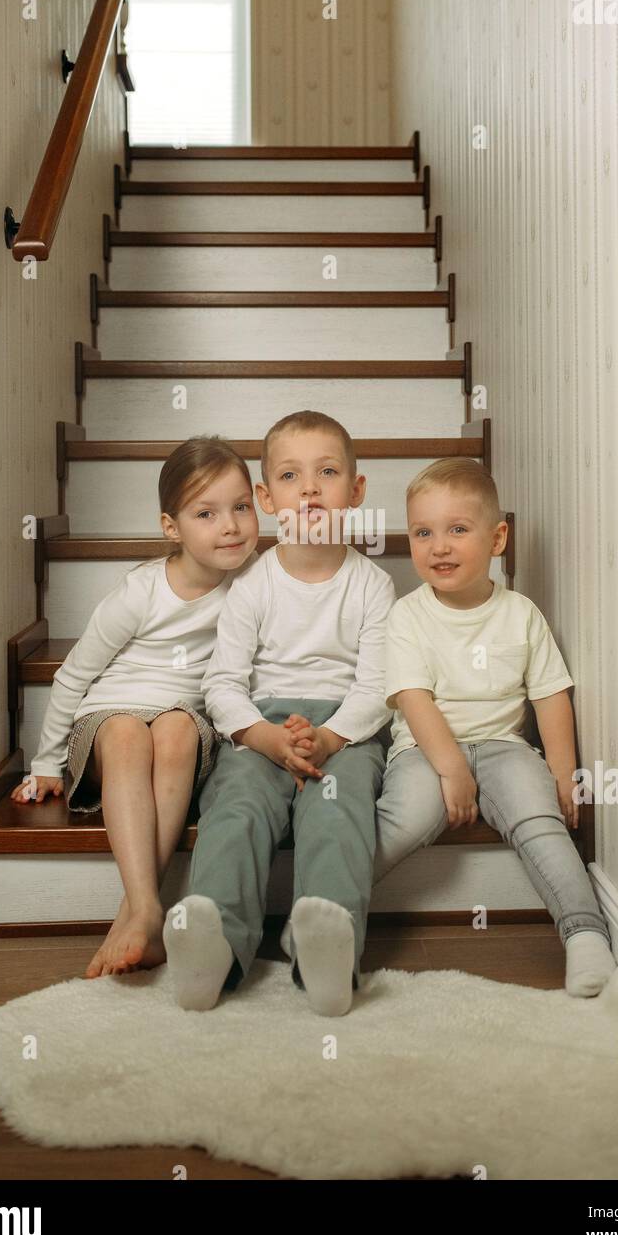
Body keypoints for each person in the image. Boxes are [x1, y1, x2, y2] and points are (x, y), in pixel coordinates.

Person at [163, 410, 395, 1017]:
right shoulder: (253, 584)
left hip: (344, 731)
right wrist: (265, 737)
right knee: (236, 804)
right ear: (267, 499)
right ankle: (215, 942)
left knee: (337, 810)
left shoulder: (372, 585)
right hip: (263, 727)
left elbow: (377, 687)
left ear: (356, 490)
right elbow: (222, 683)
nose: (310, 489)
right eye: (291, 476)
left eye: (327, 473)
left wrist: (330, 737)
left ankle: (328, 944)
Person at [11, 436, 260, 980]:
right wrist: (46, 764)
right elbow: (73, 675)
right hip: (108, 719)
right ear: (172, 527)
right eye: (206, 513)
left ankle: (136, 913)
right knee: (128, 732)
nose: (230, 526)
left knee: (177, 730)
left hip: (183, 722)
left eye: (241, 506)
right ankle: (148, 906)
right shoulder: (141, 592)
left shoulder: (257, 583)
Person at [375, 456, 617, 998]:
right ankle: (327, 909)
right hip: (425, 750)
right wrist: (452, 769)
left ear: (498, 538)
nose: (439, 547)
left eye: (457, 530)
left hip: (505, 747)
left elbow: (550, 694)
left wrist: (563, 771)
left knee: (540, 819)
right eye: (423, 533)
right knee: (404, 820)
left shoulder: (521, 613)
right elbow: (414, 699)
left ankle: (585, 934)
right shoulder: (408, 615)